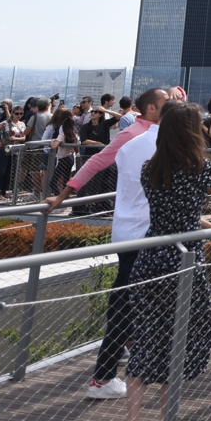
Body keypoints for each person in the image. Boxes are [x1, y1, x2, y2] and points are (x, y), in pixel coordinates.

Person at [118, 101, 211, 421]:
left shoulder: (149, 169)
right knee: (180, 344)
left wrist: (209, 224)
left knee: (144, 340)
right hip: (185, 262)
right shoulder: (199, 169)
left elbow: (174, 215)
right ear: (193, 131)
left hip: (151, 259)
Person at [45, 86, 169, 399]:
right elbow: (96, 162)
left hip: (130, 230)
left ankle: (119, 360)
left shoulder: (145, 136)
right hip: (140, 232)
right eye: (168, 102)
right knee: (127, 305)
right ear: (152, 109)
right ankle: (102, 377)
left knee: (124, 299)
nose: (174, 106)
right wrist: (63, 195)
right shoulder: (138, 137)